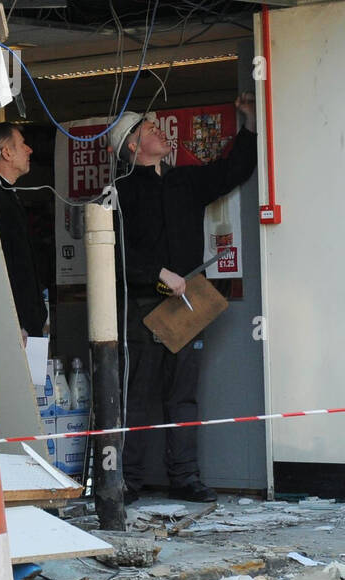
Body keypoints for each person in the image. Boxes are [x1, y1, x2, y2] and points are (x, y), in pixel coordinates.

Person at [108, 96, 257, 504]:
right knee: (138, 397)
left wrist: (248, 125)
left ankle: (185, 477)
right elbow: (115, 253)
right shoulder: (119, 193)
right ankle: (130, 480)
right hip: (143, 306)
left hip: (187, 303)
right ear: (133, 147)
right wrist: (158, 274)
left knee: (183, 395)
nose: (159, 130)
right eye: (148, 129)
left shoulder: (183, 181)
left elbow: (233, 171)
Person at [0, 123, 47, 343]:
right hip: (15, 326)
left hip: (26, 322)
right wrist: (15, 322)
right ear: (7, 152)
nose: (29, 150)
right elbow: (5, 264)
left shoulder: (7, 195)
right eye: (22, 144)